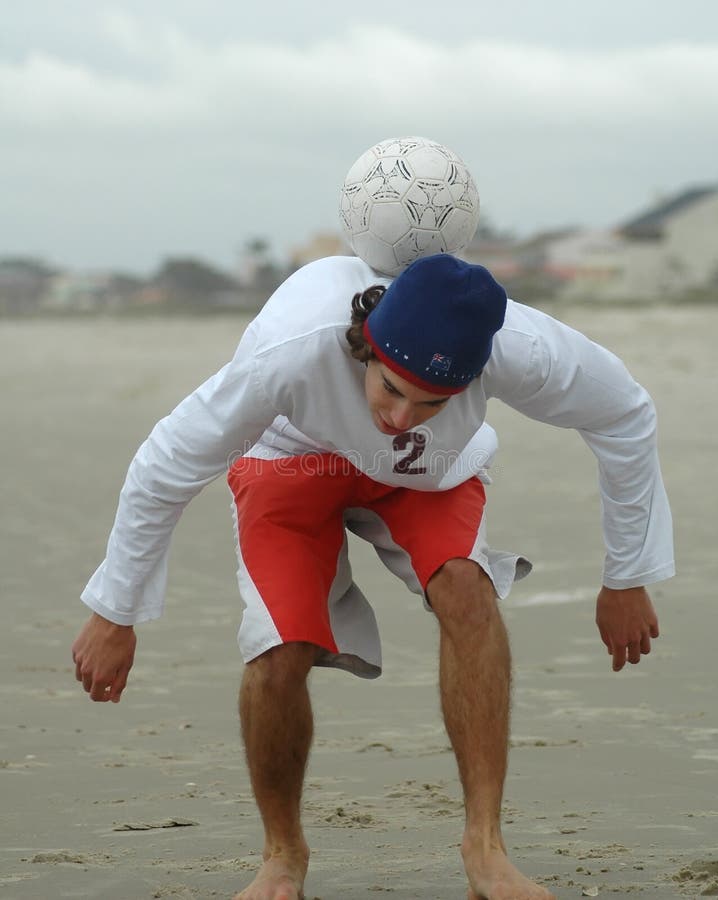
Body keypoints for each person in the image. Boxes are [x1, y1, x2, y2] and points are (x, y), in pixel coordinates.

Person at [72, 252, 674, 900]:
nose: (399, 417)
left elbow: (623, 414)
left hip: (426, 475)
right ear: (365, 346)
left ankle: (485, 850)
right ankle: (282, 858)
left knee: (467, 596)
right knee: (280, 648)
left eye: (430, 402)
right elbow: (164, 467)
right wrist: (115, 611)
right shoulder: (293, 351)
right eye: (391, 388)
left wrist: (626, 576)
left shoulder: (517, 346)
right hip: (288, 460)